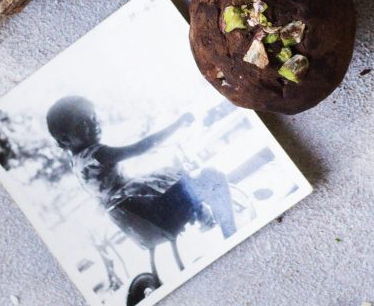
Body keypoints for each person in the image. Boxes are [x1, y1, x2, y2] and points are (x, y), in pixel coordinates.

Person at [44, 96, 235, 293]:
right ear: (65, 139)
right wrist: (176, 125)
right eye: (83, 123)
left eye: (94, 117)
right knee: (208, 177)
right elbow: (142, 147)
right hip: (151, 214)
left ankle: (202, 214)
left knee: (171, 173)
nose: (94, 124)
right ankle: (226, 230)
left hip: (137, 218)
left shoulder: (77, 162)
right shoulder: (97, 154)